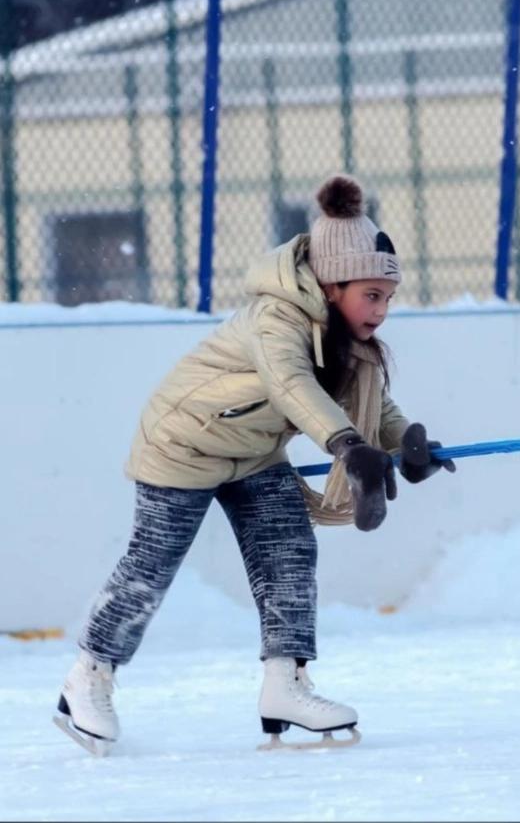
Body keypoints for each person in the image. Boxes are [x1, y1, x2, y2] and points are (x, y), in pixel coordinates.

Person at [53, 174, 455, 756]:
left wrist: (407, 440)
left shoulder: (343, 333)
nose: (382, 310)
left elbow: (373, 401)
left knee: (288, 552)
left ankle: (285, 686)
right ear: (331, 281)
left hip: (253, 453)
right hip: (184, 444)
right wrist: (346, 445)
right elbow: (291, 385)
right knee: (152, 565)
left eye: (388, 297)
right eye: (372, 295)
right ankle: (87, 678)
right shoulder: (277, 317)